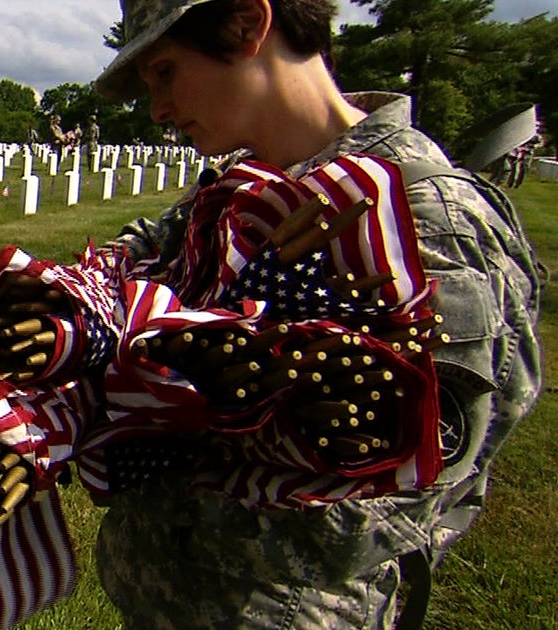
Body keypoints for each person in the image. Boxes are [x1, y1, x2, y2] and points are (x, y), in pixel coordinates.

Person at [89, 0, 542, 628]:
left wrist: (124, 436)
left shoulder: (419, 217)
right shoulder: (243, 186)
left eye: (165, 73)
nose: (158, 109)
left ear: (247, 23)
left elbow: (394, 496)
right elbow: (140, 252)